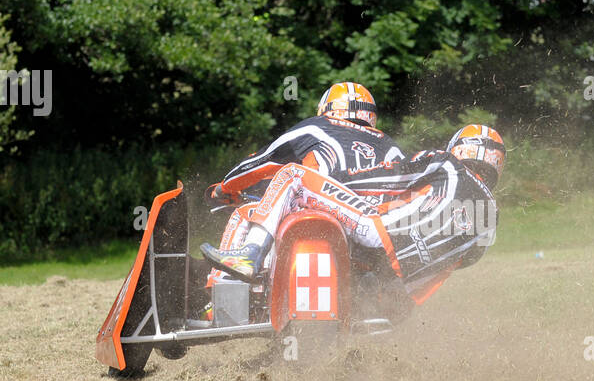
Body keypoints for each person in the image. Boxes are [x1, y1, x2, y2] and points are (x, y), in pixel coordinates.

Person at [201, 124, 503, 305]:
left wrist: (338, 182)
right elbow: (457, 262)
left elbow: (392, 176)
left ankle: (249, 257)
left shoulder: (445, 163)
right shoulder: (491, 216)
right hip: (400, 288)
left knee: (293, 175)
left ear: (459, 148)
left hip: (380, 235)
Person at [202, 81, 404, 295]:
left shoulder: (318, 126)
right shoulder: (389, 144)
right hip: (380, 233)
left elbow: (262, 161)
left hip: (338, 214)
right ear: (371, 115)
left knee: (257, 202)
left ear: (327, 108)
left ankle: (234, 275)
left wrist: (225, 188)